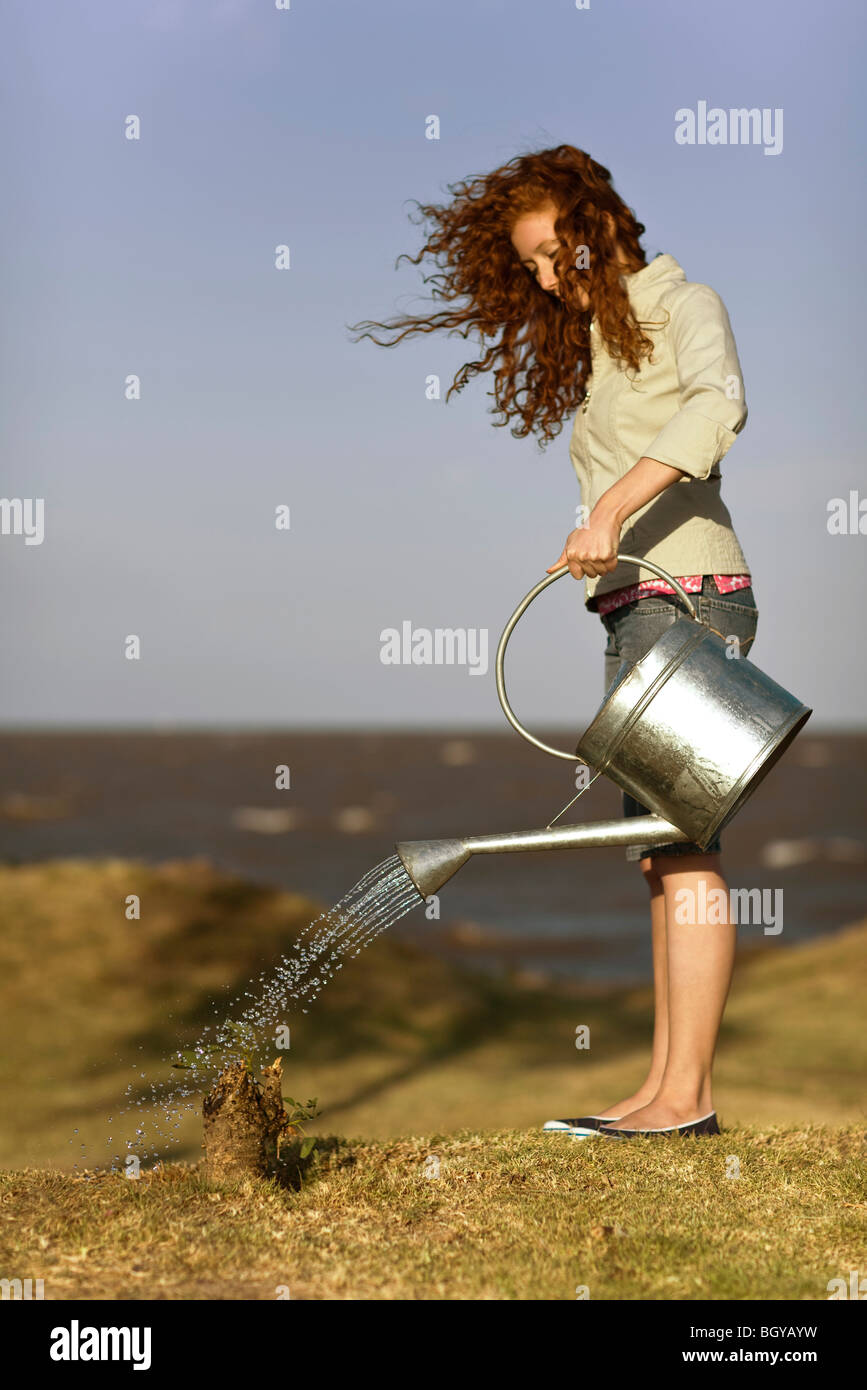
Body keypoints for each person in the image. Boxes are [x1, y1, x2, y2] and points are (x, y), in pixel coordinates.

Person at [350, 144, 758, 1139]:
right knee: (658, 854)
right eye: (527, 264)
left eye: (547, 254)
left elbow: (719, 405)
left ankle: (686, 1100)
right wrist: (603, 540)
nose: (540, 278)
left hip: (689, 599)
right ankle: (666, 1092)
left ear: (594, 227)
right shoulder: (609, 343)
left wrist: (609, 509)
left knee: (683, 848)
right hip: (634, 607)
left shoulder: (684, 304)